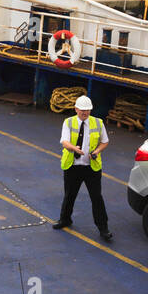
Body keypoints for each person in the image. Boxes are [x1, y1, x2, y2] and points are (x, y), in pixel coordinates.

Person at [53, 96, 111, 242]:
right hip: (73, 166)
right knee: (70, 195)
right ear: (76, 109)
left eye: (87, 110)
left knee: (96, 197)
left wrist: (97, 152)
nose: (85, 113)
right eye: (82, 110)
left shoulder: (98, 123)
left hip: (91, 168)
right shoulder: (69, 122)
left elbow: (105, 142)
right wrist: (75, 149)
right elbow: (64, 142)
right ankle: (65, 219)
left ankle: (103, 228)